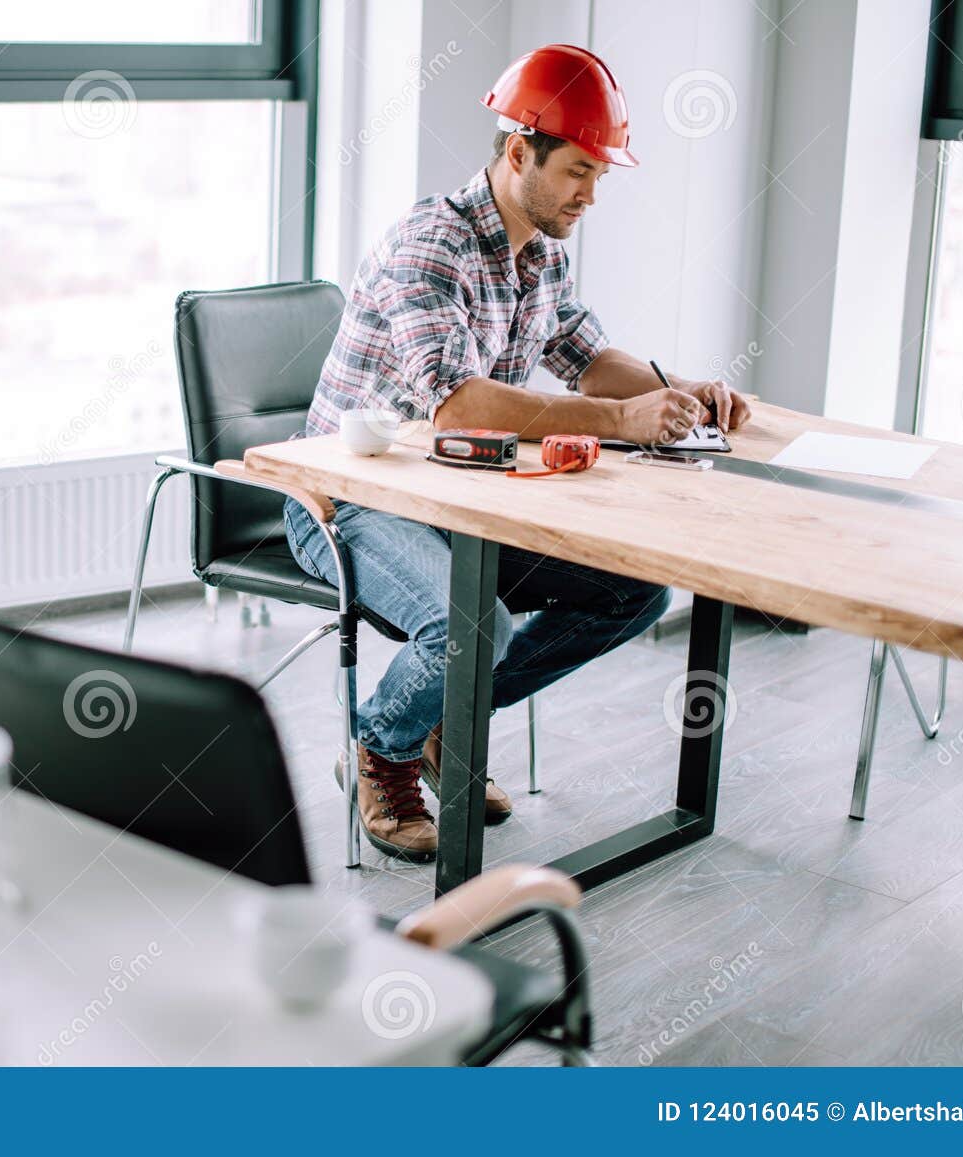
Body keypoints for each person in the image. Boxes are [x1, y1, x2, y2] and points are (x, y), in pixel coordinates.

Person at [283, 44, 752, 862]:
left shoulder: (542, 250)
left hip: (468, 498)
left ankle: (442, 724)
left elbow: (589, 356)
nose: (590, 194)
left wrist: (683, 390)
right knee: (469, 625)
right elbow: (459, 401)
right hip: (351, 498)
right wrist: (622, 421)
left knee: (635, 593)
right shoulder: (432, 244)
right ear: (516, 153)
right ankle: (383, 749)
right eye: (579, 171)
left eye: (601, 176)